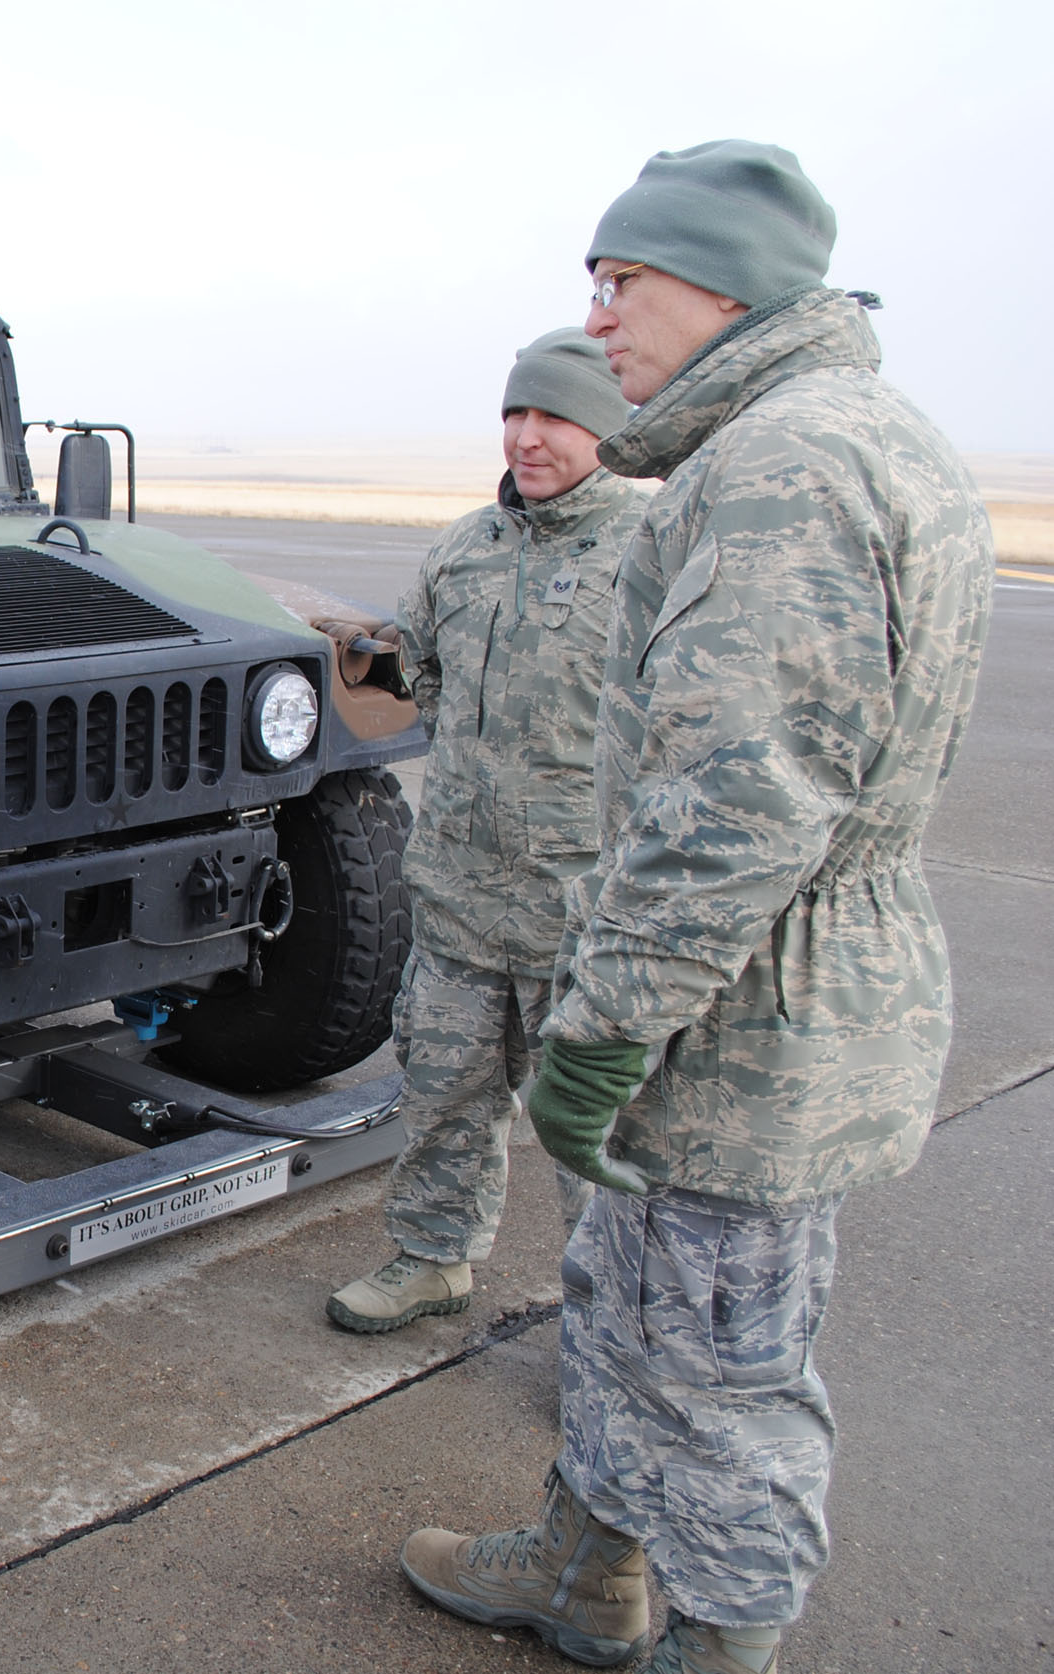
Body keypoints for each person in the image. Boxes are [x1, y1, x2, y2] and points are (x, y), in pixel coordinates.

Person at [399, 141, 995, 1673]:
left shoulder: (787, 466)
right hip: (733, 993)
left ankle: (722, 1645)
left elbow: (738, 801)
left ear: (725, 283)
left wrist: (601, 1028)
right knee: (618, 1298)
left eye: (622, 283)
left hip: (740, 1014)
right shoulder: (849, 432)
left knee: (721, 1367)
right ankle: (588, 1568)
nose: (597, 322)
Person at [327, 327, 643, 1334]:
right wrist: (360, 653)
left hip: (583, 906)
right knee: (442, 1093)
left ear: (608, 428)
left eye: (554, 416)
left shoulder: (653, 552)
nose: (528, 437)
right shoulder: (465, 547)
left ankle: (617, 1328)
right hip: (461, 891)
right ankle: (430, 1260)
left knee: (599, 1134)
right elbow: (415, 673)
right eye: (516, 413)